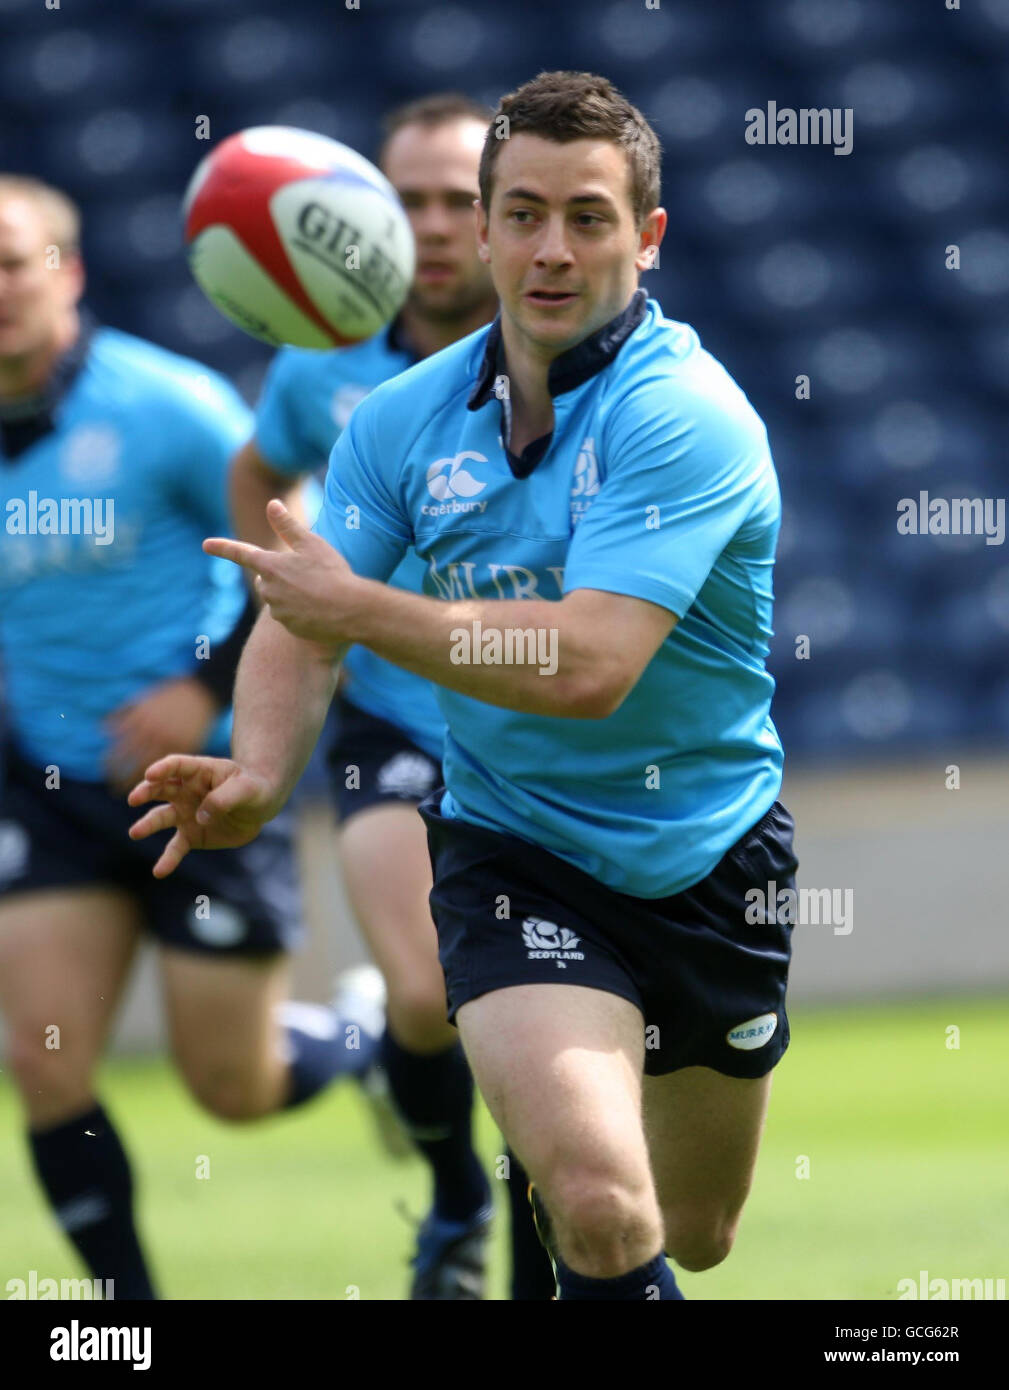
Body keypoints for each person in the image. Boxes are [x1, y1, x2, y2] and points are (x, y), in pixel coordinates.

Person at [129, 70, 800, 1302]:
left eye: (588, 217)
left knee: (693, 1232)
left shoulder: (687, 416)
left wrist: (359, 610)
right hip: (512, 848)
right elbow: (301, 609)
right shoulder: (396, 421)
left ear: (646, 239)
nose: (551, 249)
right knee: (598, 1207)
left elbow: (591, 664)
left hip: (709, 858)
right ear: (483, 230)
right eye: (524, 213)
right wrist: (262, 770)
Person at [0, 176, 379, 1301]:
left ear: (65, 274)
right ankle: (129, 1322)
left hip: (207, 775)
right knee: (44, 1059)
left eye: (12, 263)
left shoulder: (167, 404)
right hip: (47, 788)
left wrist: (195, 683)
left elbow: (295, 559)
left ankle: (356, 1037)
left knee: (232, 1088)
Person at [230, 93, 552, 1301]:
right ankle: (455, 1197)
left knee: (530, 1039)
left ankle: (536, 1263)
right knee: (428, 995)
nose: (424, 223)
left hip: (531, 736)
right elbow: (257, 464)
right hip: (389, 716)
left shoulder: (558, 361)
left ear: (490, 215)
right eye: (399, 197)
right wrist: (261, 611)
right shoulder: (319, 360)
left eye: (448, 198)